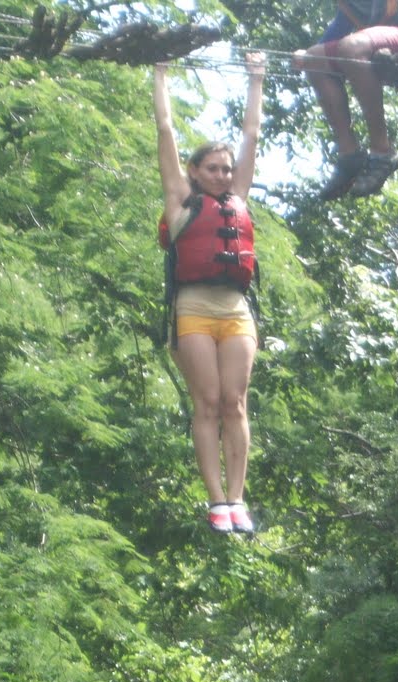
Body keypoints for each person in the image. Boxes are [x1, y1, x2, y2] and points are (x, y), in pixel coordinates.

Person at [154, 53, 267, 535]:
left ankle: (238, 498)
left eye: (227, 169)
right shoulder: (181, 201)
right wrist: (160, 74)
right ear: (196, 172)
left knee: (234, 403)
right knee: (208, 402)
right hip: (193, 309)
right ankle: (216, 500)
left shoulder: (238, 198)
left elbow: (251, 135)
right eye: (214, 169)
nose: (223, 175)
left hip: (235, 310)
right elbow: (165, 132)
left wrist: (256, 77)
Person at [293, 0, 398, 199]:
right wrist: (306, 54)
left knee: (352, 47)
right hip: (376, 44)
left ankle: (382, 151)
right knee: (313, 59)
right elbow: (338, 29)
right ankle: (349, 154)